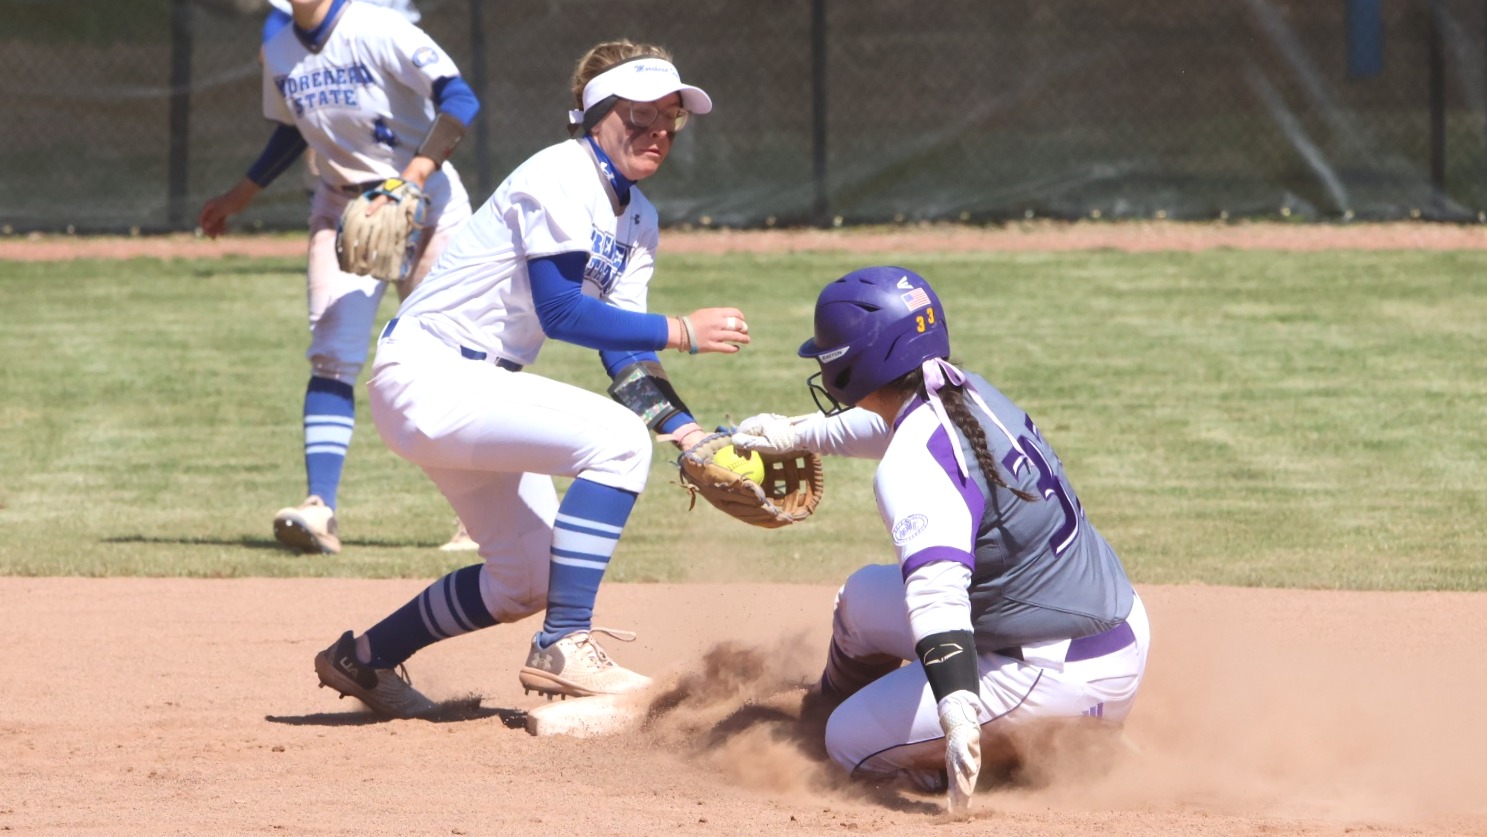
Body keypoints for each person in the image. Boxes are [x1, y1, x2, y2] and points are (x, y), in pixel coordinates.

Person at [310, 39, 749, 718]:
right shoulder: (560, 175)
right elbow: (563, 311)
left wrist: (686, 432)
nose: (657, 131)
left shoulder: (637, 218)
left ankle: (364, 657)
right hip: (429, 372)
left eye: (670, 118)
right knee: (615, 443)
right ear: (594, 115)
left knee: (528, 575)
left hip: (476, 391)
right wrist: (683, 329)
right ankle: (564, 643)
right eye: (639, 116)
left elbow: (620, 349)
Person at [731, 266, 1150, 812]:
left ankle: (1035, 754)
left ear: (853, 364)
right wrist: (794, 434)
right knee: (861, 598)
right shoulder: (961, 390)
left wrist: (957, 710)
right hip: (1100, 629)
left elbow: (937, 592)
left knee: (848, 744)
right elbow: (889, 427)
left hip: (1054, 673)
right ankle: (838, 708)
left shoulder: (912, 468)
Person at [199, 0, 480, 554]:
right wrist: (241, 195)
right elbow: (291, 133)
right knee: (332, 352)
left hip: (427, 204)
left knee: (452, 361)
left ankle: (481, 518)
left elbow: (460, 98)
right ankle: (319, 510)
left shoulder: (379, 27)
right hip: (342, 210)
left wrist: (413, 177)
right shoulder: (279, 50)